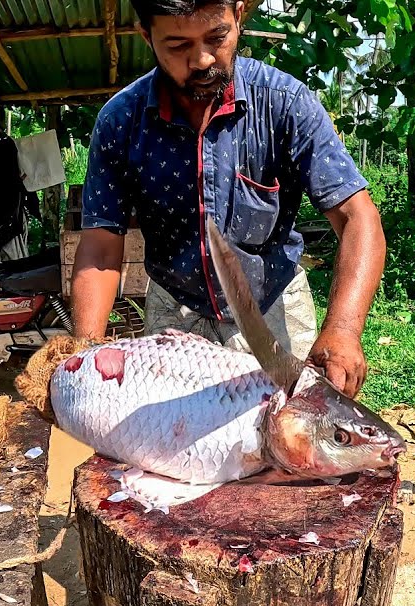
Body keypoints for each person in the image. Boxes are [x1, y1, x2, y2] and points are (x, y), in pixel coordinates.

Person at [71, 0, 387, 399]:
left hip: (270, 304)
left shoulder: (285, 103)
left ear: (238, 16)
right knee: (169, 449)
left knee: (292, 443)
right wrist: (84, 351)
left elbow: (358, 217)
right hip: (175, 309)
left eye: (217, 37)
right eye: (178, 45)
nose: (202, 59)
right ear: (147, 37)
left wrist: (342, 330)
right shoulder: (120, 121)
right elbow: (100, 249)